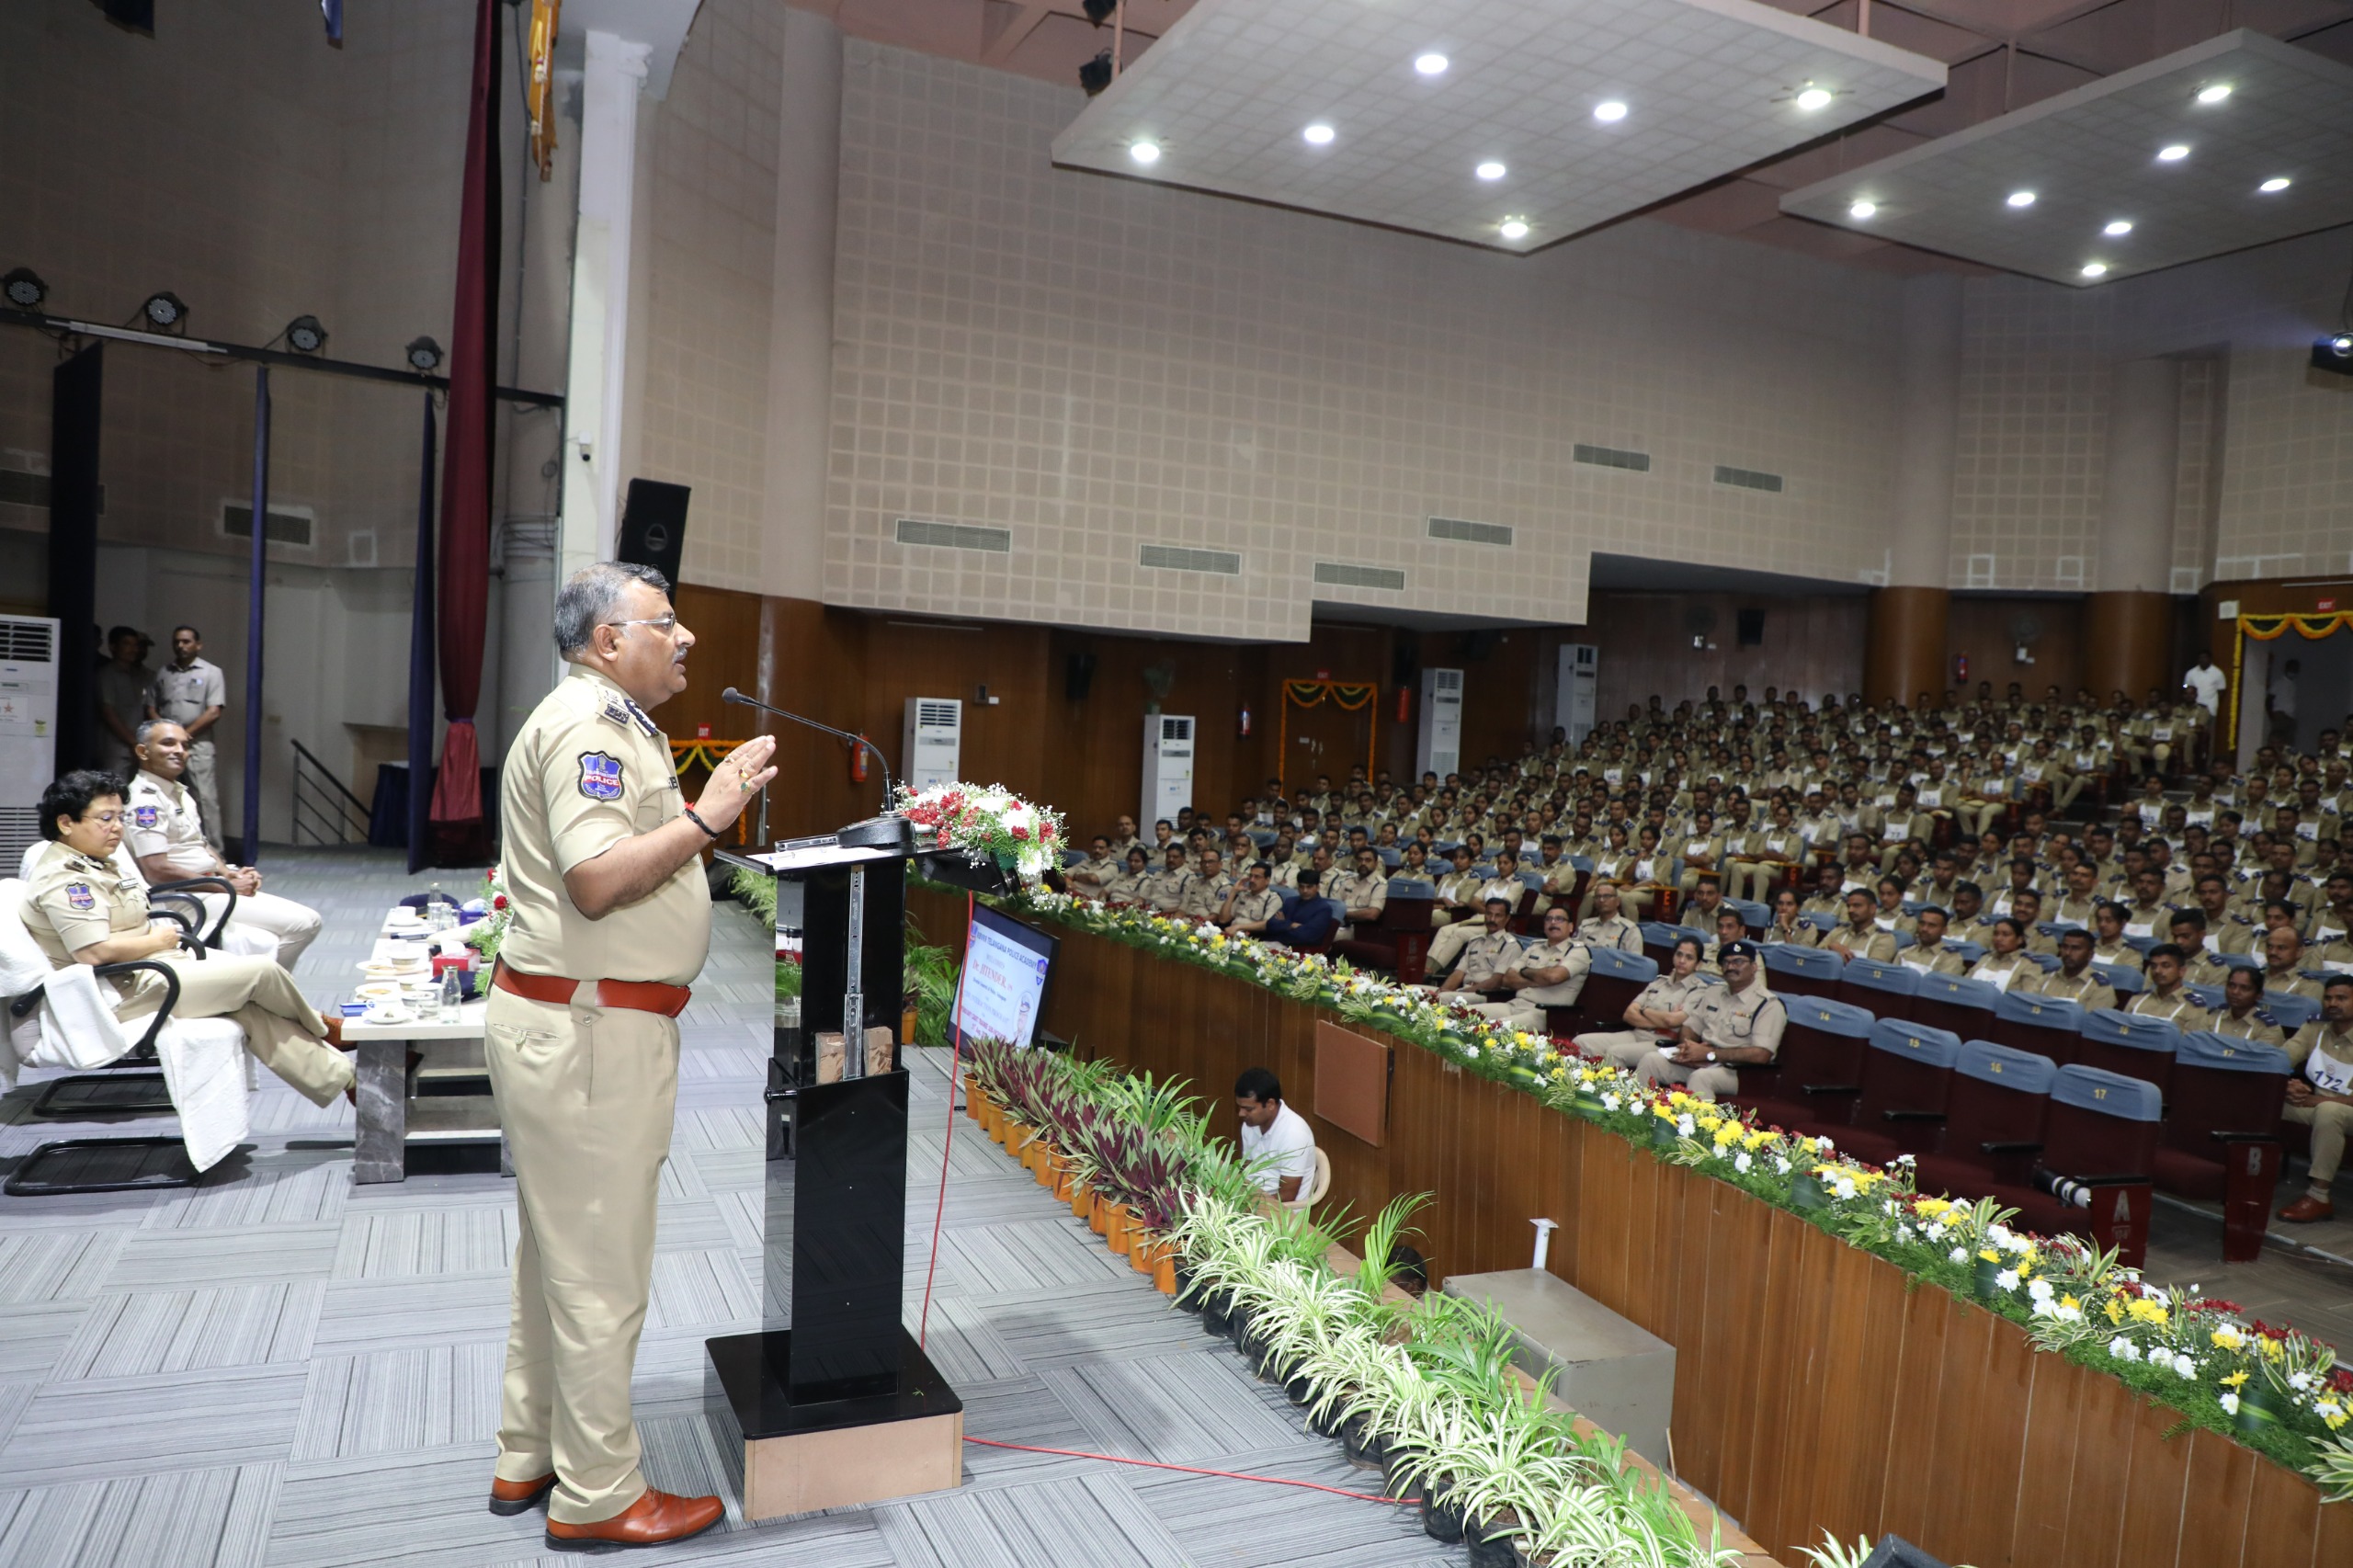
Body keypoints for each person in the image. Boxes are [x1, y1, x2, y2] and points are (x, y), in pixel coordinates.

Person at [483, 562, 775, 1548]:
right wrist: (709, 814)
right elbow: (598, 880)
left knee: (553, 1261)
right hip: (592, 1033)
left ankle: (530, 1449)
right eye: (665, 622)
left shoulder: (606, 719)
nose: (685, 637)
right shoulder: (589, 728)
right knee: (601, 1272)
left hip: (577, 1021)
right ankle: (600, 1495)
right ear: (608, 640)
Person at [20, 770, 354, 1107]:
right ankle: (325, 1028)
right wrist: (159, 941)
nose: (118, 827)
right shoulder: (67, 879)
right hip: (120, 993)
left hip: (149, 972)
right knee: (261, 972)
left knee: (250, 1009)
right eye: (105, 818)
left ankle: (351, 1083)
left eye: (120, 817)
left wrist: (160, 944)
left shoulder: (97, 863)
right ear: (66, 823)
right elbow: (93, 952)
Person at [122, 719, 322, 968]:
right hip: (183, 897)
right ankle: (266, 994)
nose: (179, 751)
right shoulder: (145, 802)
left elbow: (201, 844)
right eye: (168, 743)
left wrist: (229, 872)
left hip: (209, 887)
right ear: (142, 751)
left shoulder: (177, 792)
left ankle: (266, 995)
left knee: (311, 920)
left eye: (184, 745)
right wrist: (226, 885)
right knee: (302, 924)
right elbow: (156, 869)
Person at [1633, 939, 1785, 1102]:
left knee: (1701, 1078)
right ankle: (1636, 1116)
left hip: (1738, 1071)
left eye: (1738, 961)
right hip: (1703, 1060)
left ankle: (1696, 1127)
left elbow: (1761, 1054)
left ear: (1754, 967)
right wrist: (1690, 1046)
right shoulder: (1713, 992)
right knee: (1651, 1060)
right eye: (1726, 962)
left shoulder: (1768, 1004)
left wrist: (1711, 1054)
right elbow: (1690, 1028)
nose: (1731, 967)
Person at [2276, 976, 2353, 1223]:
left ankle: (2319, 1197)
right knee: (2266, 1099)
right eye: (2328, 997)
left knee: (2329, 1111)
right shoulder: (2314, 1029)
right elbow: (2278, 1060)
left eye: (2341, 998)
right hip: (2315, 1106)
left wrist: (2314, 1101)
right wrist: (2287, 1085)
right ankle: (2244, 1172)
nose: (2332, 1003)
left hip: (2342, 1111)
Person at [148, 624, 229, 850]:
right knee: (163, 797)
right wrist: (165, 735)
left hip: (197, 745)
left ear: (198, 645)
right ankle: (171, 850)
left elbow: (214, 711)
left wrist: (182, 737)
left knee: (204, 799)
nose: (181, 646)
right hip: (164, 748)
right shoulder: (164, 673)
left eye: (186, 641)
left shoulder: (211, 673)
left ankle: (215, 853)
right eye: (177, 642)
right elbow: (152, 707)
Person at [1575, 934, 1709, 1070]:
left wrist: (1644, 1011)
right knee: (1581, 1042)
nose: (1682, 960)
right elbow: (1628, 1014)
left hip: (1663, 1041)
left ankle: (1615, 1091)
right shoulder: (1659, 982)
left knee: (1615, 1053)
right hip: (1636, 1033)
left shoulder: (1698, 990)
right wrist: (1660, 1019)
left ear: (1698, 964)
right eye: (1679, 955)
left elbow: (1672, 1021)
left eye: (1689, 957)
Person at [1235, 1066, 1316, 1206]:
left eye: (1248, 1109)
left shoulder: (1294, 1134)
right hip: (1251, 1201)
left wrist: (1248, 1206)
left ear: (1270, 1104)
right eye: (1240, 1107)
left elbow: (1287, 1195)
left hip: (1280, 1213)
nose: (1241, 1114)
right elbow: (1247, 1172)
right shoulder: (1250, 1124)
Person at [95, 624, 154, 777]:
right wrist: (133, 742)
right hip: (116, 748)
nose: (133, 649)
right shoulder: (106, 674)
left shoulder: (142, 676)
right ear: (113, 647)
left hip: (140, 747)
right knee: (115, 792)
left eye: (135, 645)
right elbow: (108, 712)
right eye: (127, 644)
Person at [1260, 868, 1338, 949]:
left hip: (1299, 950)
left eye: (1309, 887)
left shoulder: (1324, 909)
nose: (1305, 890)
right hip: (1273, 943)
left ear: (1318, 887)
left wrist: (1283, 924)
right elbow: (1270, 925)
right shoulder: (1290, 902)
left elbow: (1307, 936)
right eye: (1301, 886)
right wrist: (1293, 925)